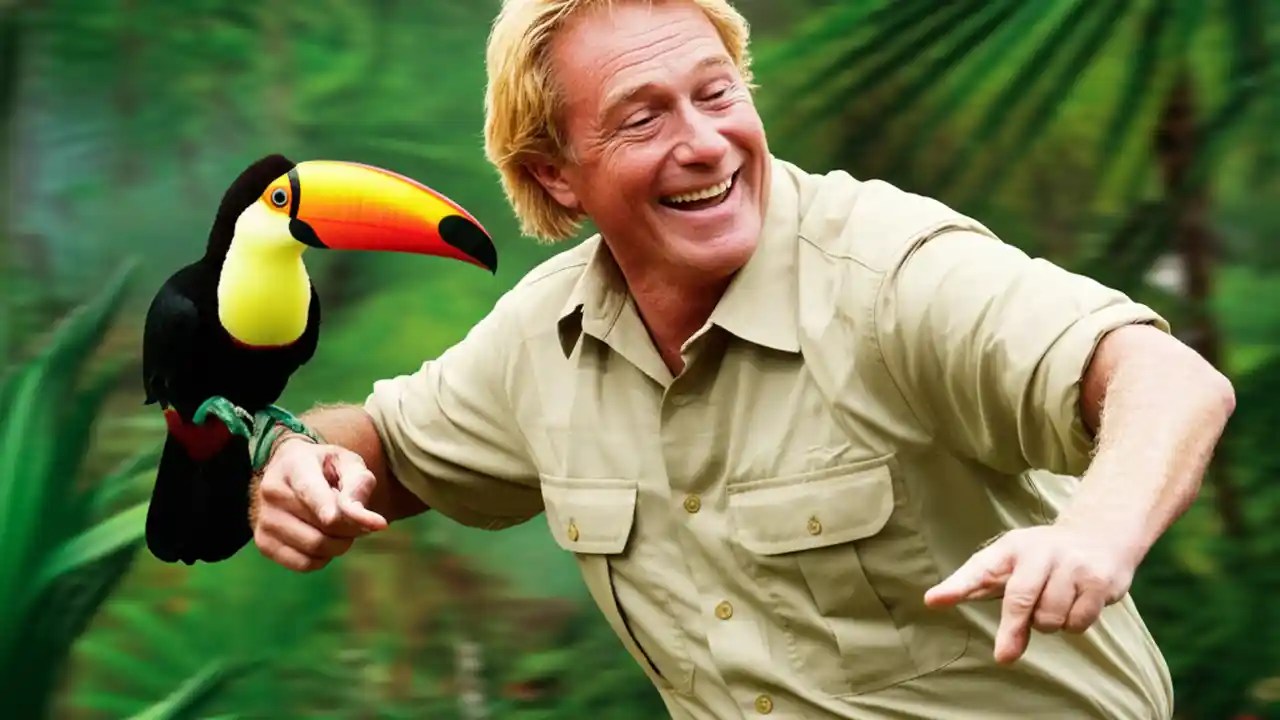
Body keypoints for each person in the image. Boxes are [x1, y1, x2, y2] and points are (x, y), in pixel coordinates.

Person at [247, 1, 1236, 717]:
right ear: (556, 173)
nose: (705, 144)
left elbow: (1166, 378)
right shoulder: (544, 336)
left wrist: (1099, 532)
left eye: (715, 95)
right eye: (643, 117)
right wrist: (302, 457)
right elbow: (385, 442)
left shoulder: (889, 271)